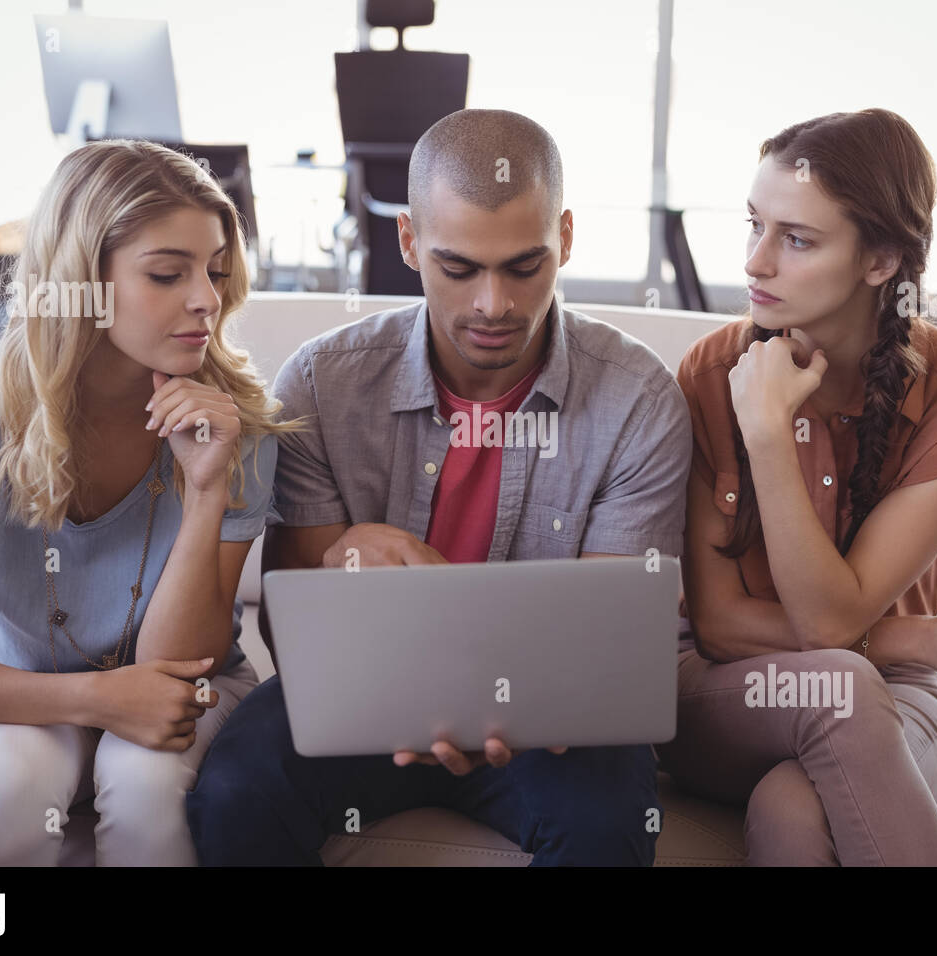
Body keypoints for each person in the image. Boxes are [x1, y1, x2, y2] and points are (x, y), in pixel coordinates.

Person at [187, 108, 692, 866]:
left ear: (566, 239)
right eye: (459, 268)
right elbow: (297, 637)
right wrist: (340, 560)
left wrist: (509, 699)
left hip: (549, 725)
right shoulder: (324, 383)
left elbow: (604, 650)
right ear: (409, 241)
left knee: (608, 824)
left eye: (525, 266)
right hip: (361, 701)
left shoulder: (639, 400)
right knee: (233, 795)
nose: (494, 304)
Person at [657, 108, 937, 865]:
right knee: (837, 685)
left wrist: (770, 437)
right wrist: (921, 635)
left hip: (894, 693)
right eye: (754, 225)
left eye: (796, 239)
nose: (755, 262)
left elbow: (834, 626)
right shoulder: (712, 373)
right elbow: (718, 624)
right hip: (722, 690)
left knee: (792, 805)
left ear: (880, 261)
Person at [0, 139, 296, 866]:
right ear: (80, 279)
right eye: (167, 273)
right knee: (14, 784)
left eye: (216, 270)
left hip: (188, 680)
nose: (205, 297)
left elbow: (178, 664)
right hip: (18, 690)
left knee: (145, 781)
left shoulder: (234, 425)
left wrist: (204, 493)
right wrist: (98, 699)